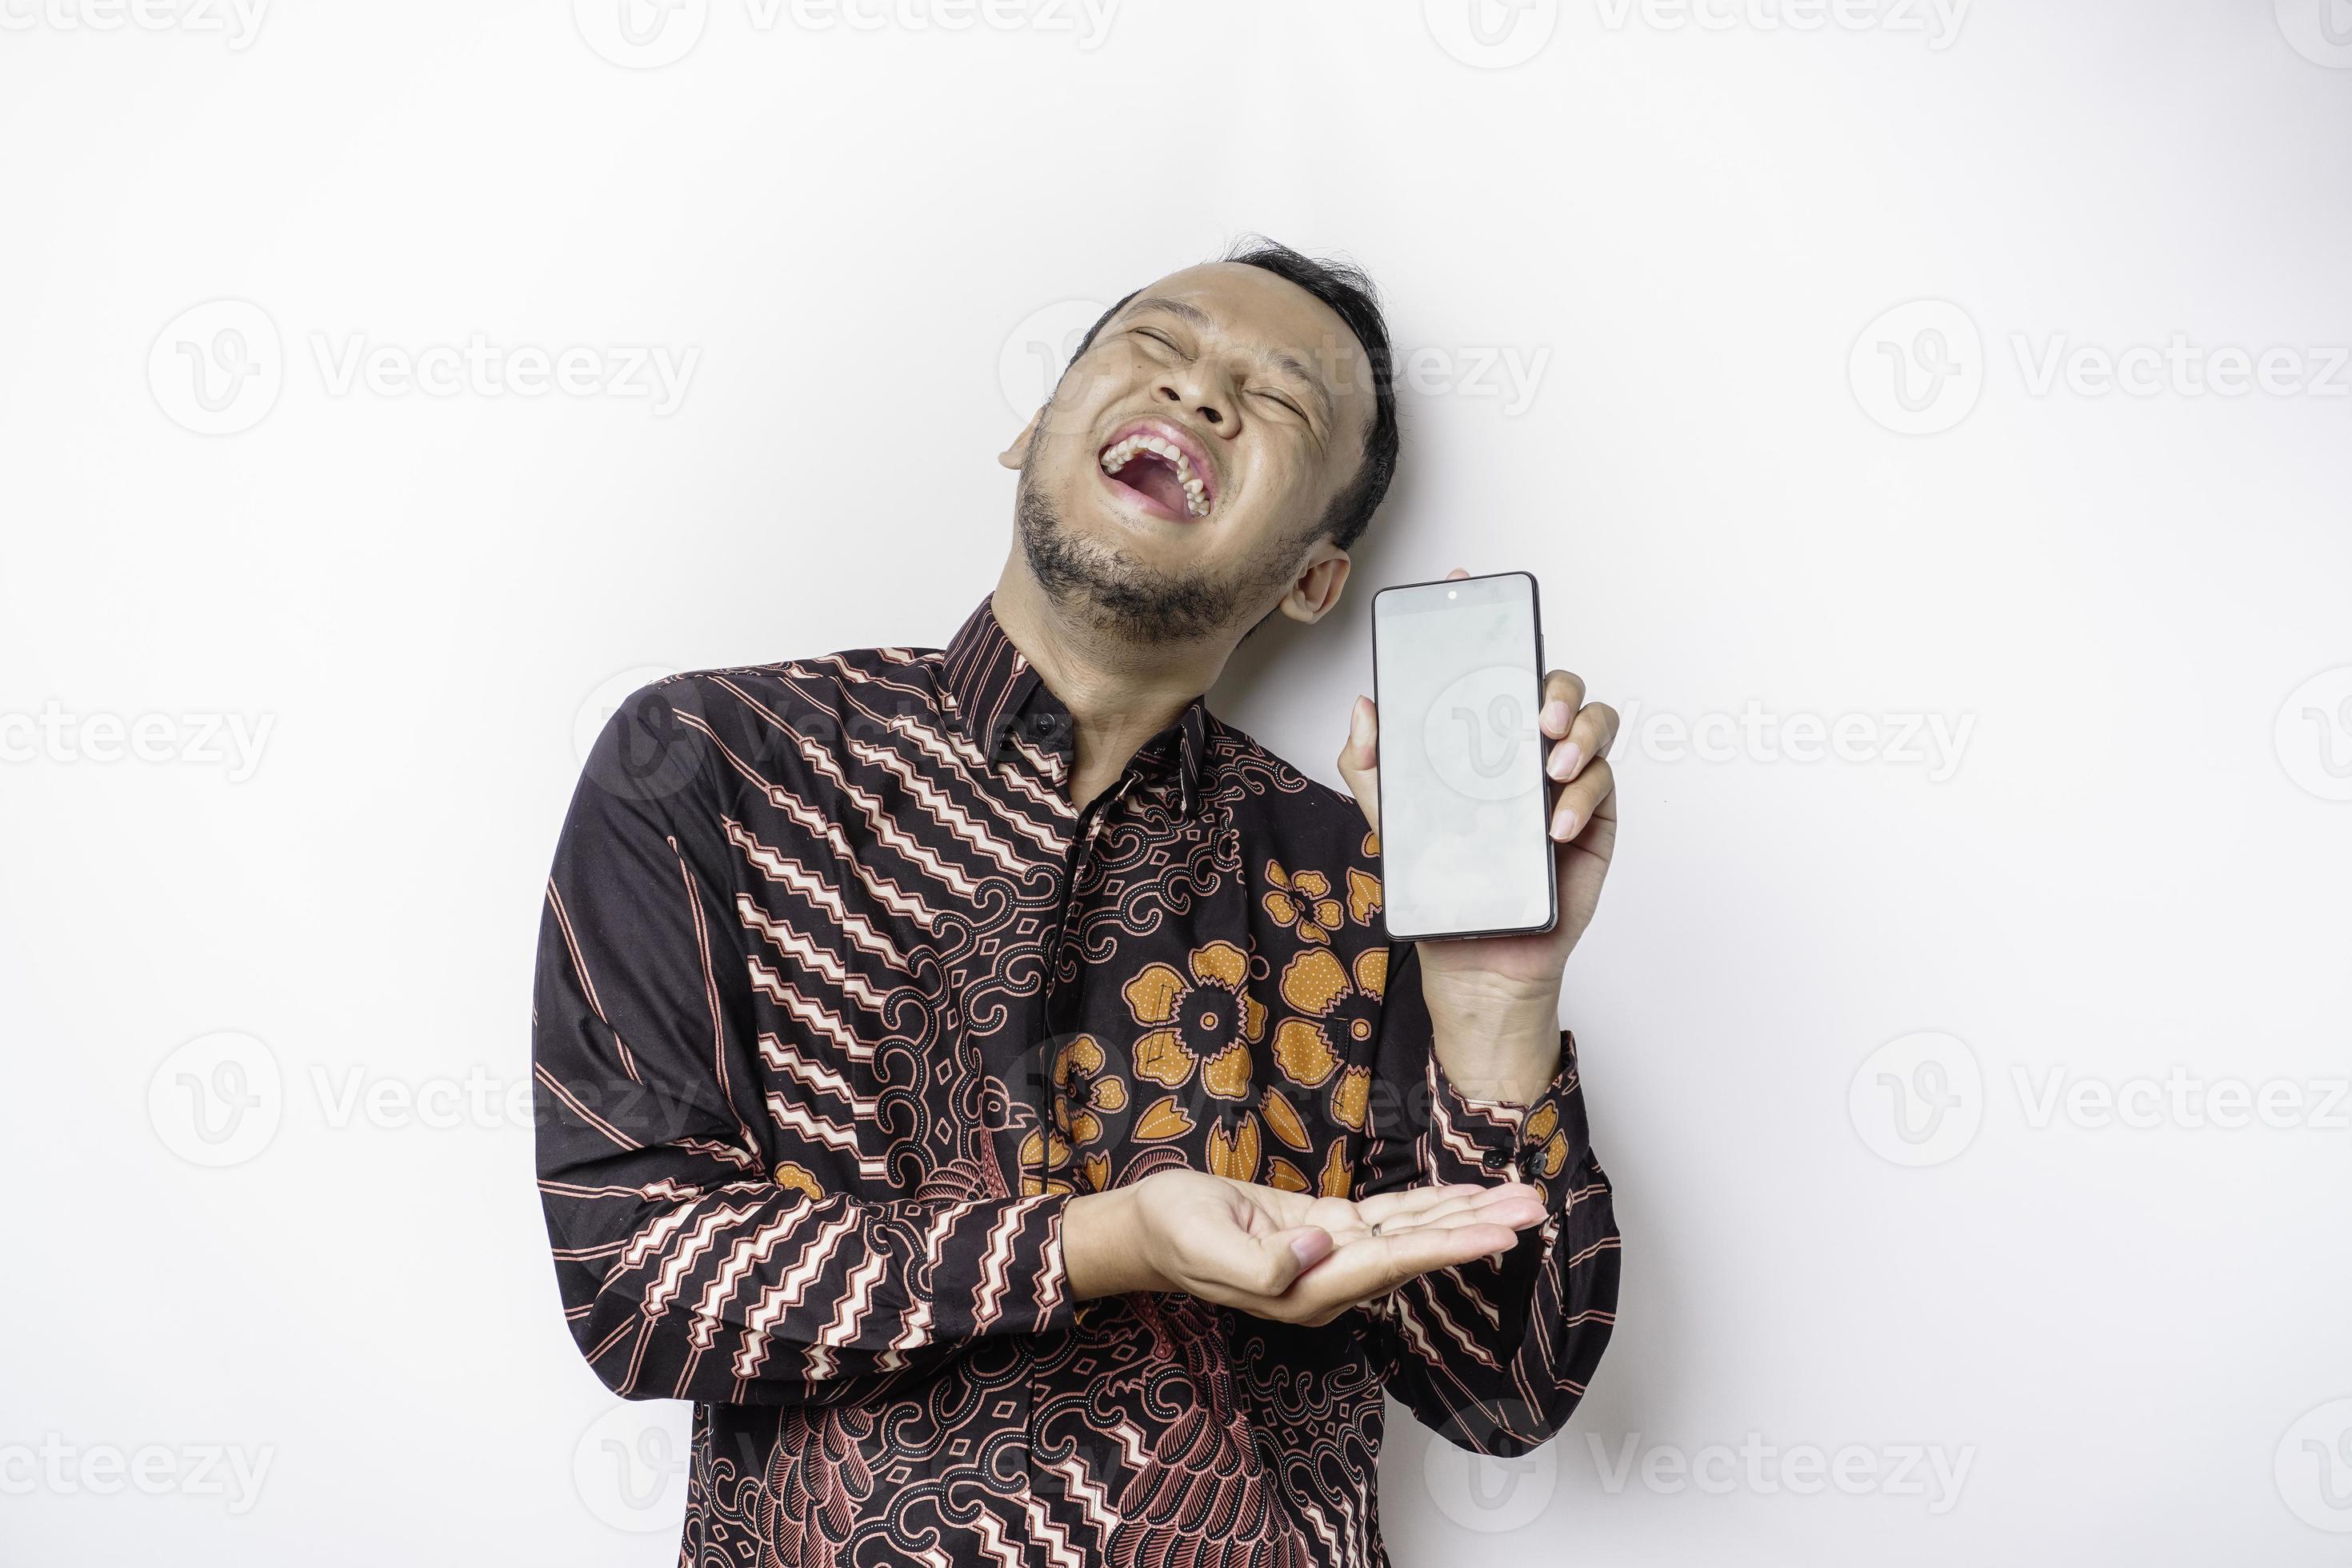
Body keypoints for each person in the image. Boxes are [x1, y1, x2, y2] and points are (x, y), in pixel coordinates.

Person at [532, 237, 1623, 1566]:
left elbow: (1499, 1390)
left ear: (1313, 580)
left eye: (1277, 400)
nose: (1203, 396)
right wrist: (1106, 1242)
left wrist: (1497, 1003)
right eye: (1155, 351)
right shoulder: (714, 763)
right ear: (1033, 431)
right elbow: (637, 1286)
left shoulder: (1365, 878)